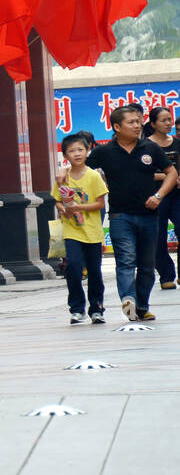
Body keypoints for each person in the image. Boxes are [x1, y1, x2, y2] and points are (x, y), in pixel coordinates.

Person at [80, 105, 178, 321]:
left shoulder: (150, 148)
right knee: (125, 260)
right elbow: (81, 169)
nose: (137, 125)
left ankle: (142, 306)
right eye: (131, 122)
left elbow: (171, 173)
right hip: (120, 216)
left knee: (146, 265)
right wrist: (63, 173)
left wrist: (159, 196)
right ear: (117, 127)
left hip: (149, 215)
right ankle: (128, 300)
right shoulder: (104, 152)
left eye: (138, 121)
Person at [53, 133, 108, 324]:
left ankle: (97, 308)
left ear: (87, 151)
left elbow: (100, 204)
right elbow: (58, 201)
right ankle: (77, 308)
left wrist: (78, 207)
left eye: (80, 150)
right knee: (74, 266)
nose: (77, 154)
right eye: (72, 151)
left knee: (94, 271)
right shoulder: (63, 177)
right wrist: (64, 209)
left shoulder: (94, 176)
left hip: (92, 231)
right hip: (72, 231)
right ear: (65, 154)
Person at [147, 106, 180, 289]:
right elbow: (144, 173)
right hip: (157, 196)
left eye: (170, 119)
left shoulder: (176, 143)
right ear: (153, 124)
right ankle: (166, 275)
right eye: (163, 120)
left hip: (177, 194)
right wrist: (168, 177)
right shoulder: (146, 145)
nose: (168, 124)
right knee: (158, 236)